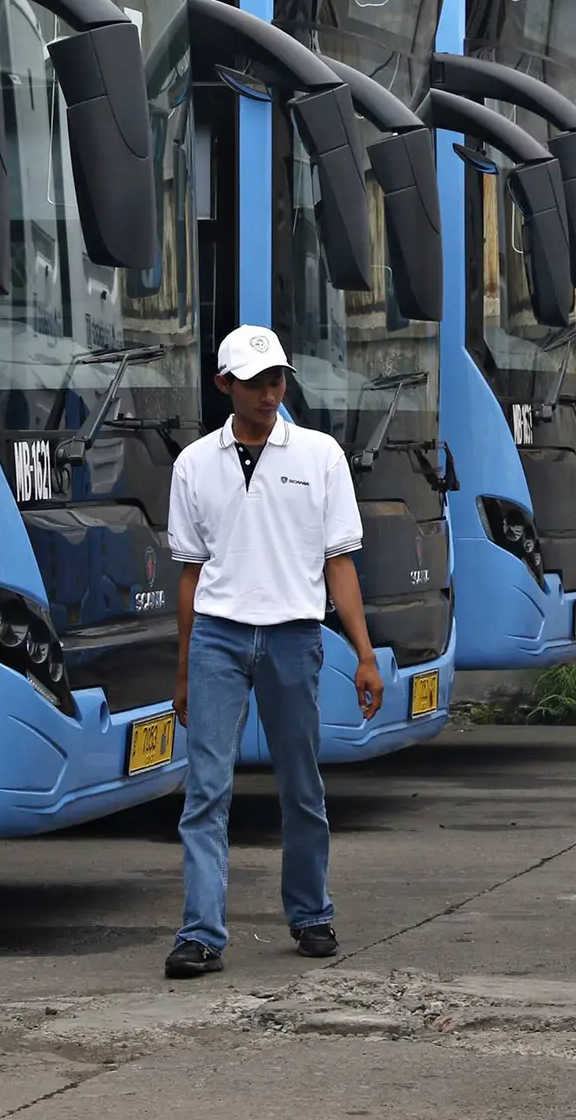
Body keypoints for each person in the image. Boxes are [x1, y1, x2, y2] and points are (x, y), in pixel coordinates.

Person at [162, 325, 384, 979]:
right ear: (223, 384)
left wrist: (365, 655)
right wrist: (183, 669)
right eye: (254, 382)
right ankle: (201, 933)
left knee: (301, 783)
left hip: (294, 635)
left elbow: (339, 563)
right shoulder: (194, 464)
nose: (268, 392)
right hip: (218, 637)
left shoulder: (320, 455)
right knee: (206, 789)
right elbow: (190, 575)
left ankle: (311, 913)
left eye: (277, 379)